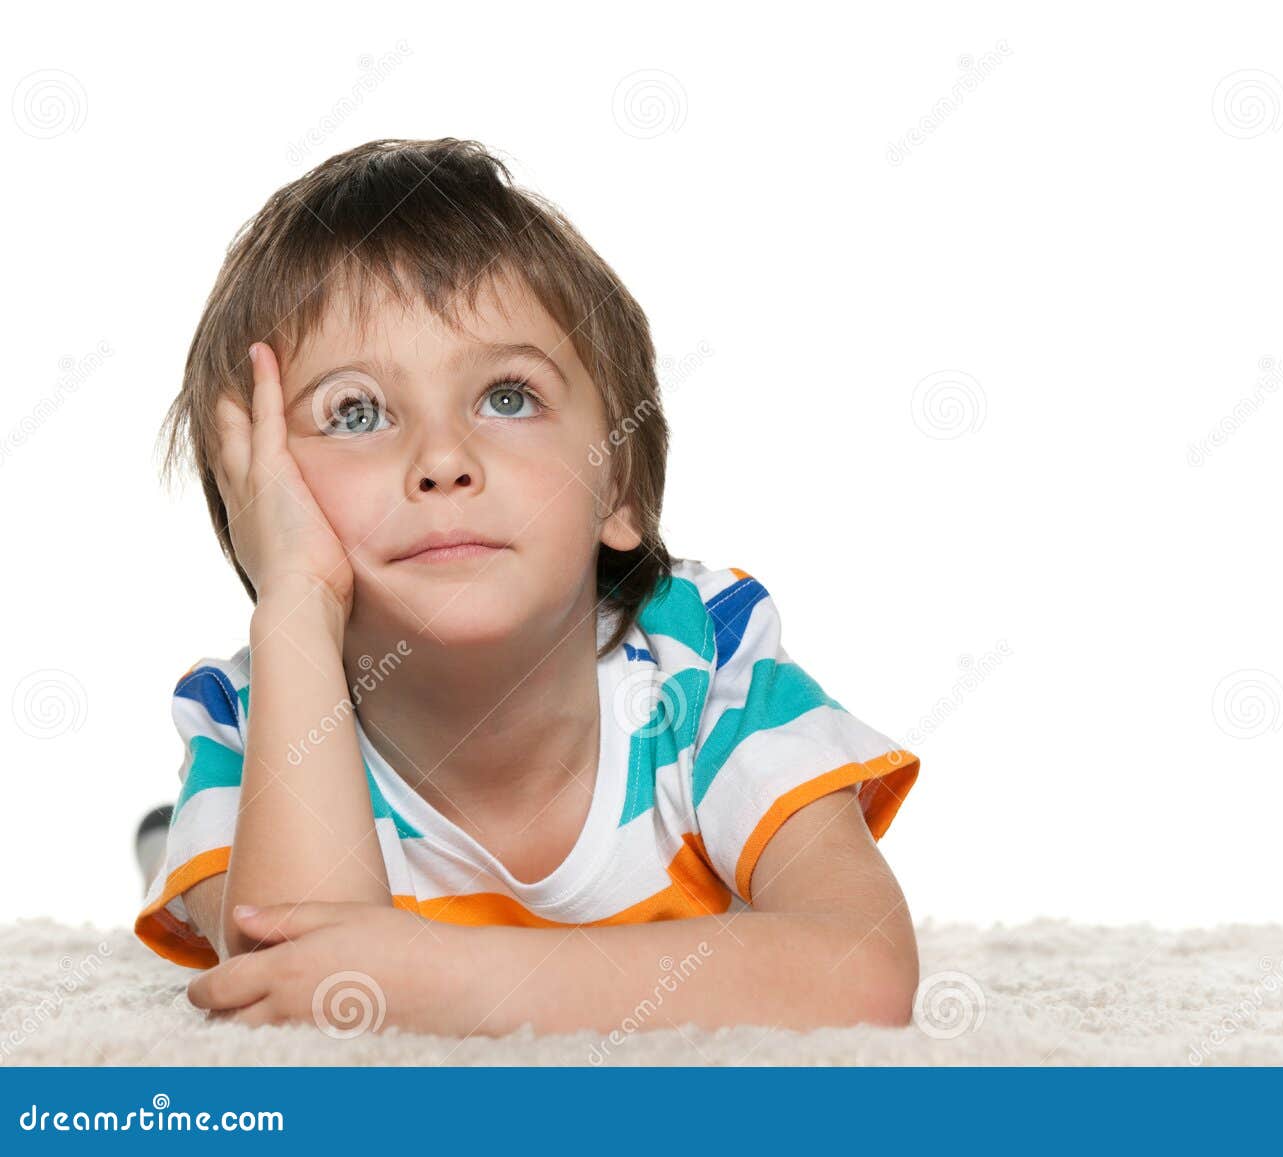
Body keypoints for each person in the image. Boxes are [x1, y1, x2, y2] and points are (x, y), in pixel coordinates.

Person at [134, 138, 921, 1037]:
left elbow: (864, 978)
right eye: (354, 413)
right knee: (208, 855)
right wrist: (296, 603)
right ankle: (177, 849)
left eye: (508, 396)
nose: (441, 460)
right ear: (257, 501)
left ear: (618, 486)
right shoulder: (251, 721)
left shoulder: (701, 665)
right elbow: (305, 1010)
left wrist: (456, 977)